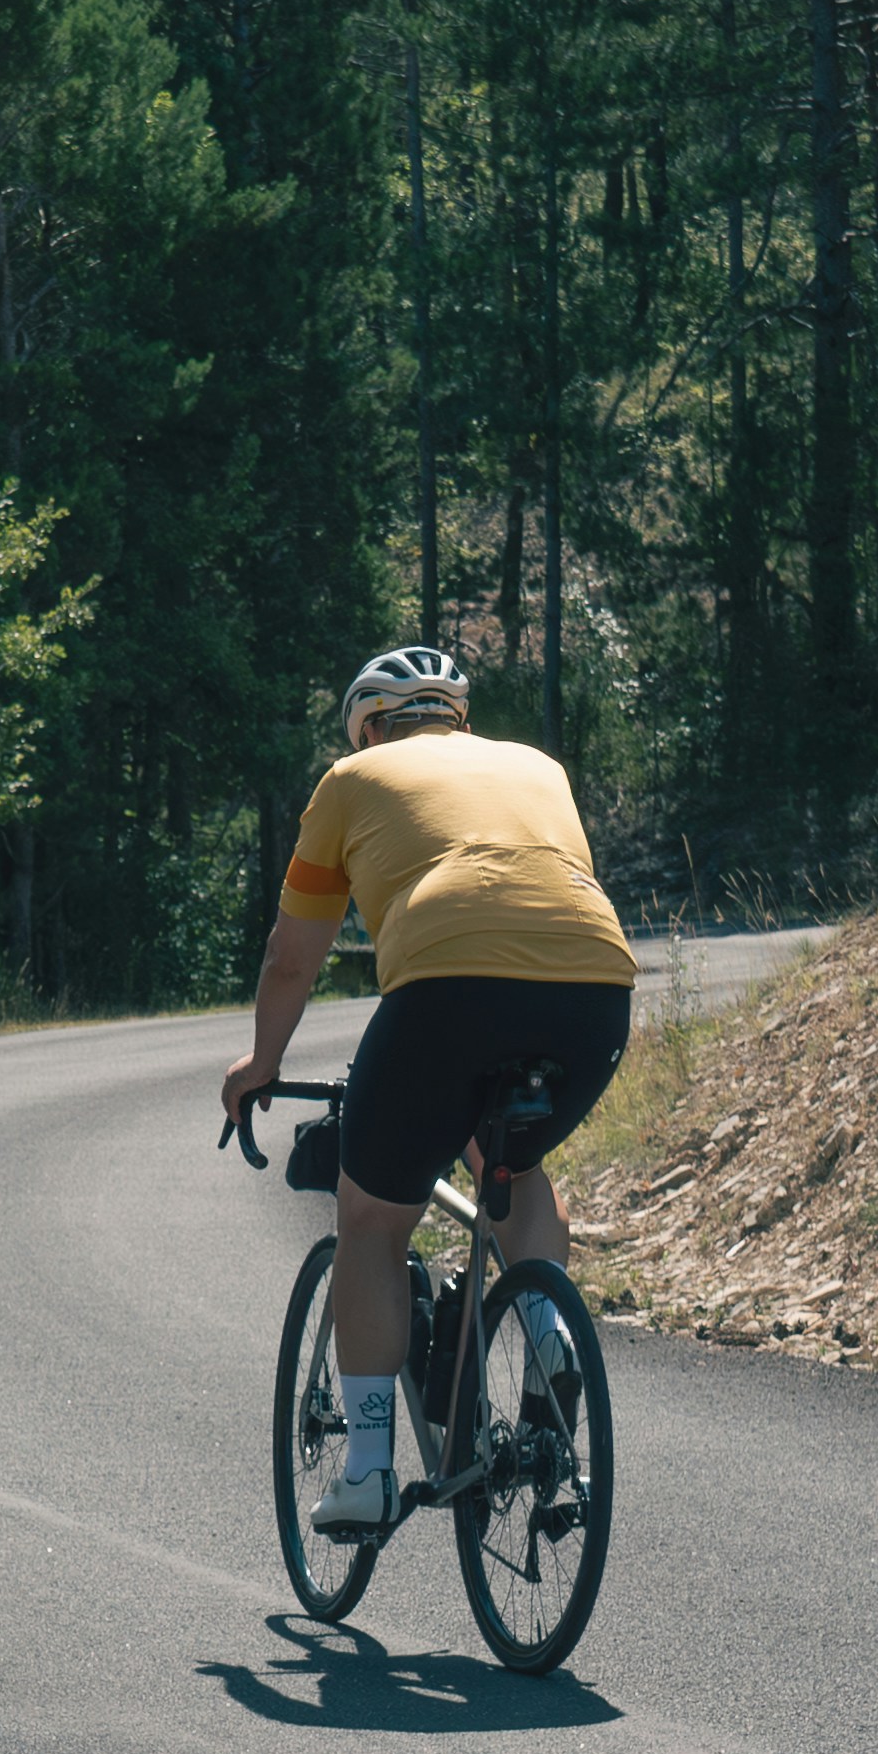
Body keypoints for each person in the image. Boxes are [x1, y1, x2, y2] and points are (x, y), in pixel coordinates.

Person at [221, 645, 642, 1536]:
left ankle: (369, 1470)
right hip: (597, 991)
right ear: (456, 719)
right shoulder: (537, 768)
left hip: (450, 988)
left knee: (372, 1222)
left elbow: (292, 958)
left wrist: (260, 1063)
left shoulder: (353, 777)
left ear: (371, 726)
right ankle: (549, 1340)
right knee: (513, 1165)